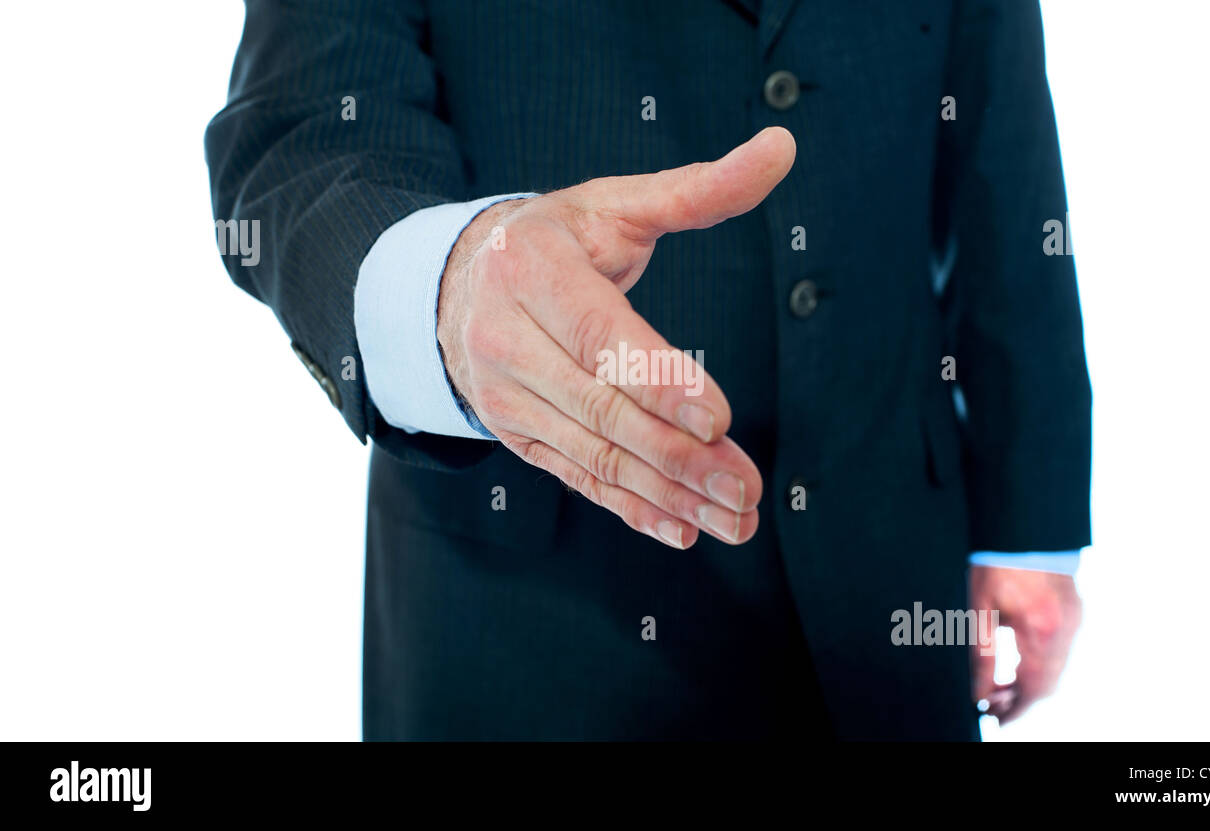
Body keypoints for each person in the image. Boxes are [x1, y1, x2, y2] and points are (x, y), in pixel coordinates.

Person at [206, 0, 1090, 740]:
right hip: (530, 624)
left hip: (897, 589)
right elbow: (306, 124)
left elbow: (1003, 153)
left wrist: (1030, 524)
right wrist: (452, 286)